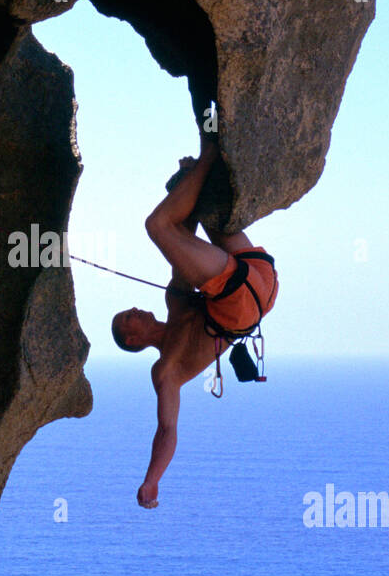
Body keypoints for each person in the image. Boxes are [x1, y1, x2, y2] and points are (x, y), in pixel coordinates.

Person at [111, 135, 278, 508]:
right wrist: (152, 480)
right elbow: (167, 429)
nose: (134, 311)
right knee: (155, 226)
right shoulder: (167, 371)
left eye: (129, 310)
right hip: (243, 299)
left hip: (257, 276)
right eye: (128, 320)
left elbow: (185, 239)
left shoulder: (174, 299)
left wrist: (181, 182)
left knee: (203, 201)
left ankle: (206, 159)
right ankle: (208, 152)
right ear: (134, 341)